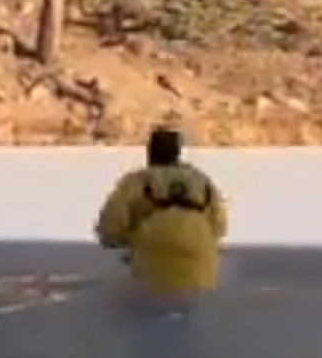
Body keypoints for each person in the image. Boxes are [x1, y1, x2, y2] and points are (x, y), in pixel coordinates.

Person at [93, 127, 228, 314]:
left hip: (152, 262)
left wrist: (122, 240)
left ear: (150, 152)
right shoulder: (201, 181)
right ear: (178, 153)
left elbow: (111, 224)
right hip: (200, 265)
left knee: (127, 311)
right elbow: (219, 226)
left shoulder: (138, 180)